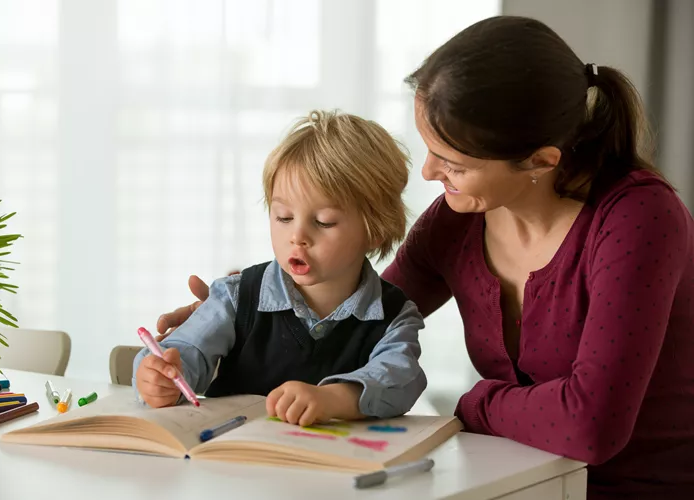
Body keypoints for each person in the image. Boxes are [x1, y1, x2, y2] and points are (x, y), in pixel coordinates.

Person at [155, 16, 694, 499]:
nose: (429, 175)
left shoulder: (637, 219)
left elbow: (591, 426)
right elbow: (355, 319)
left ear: (539, 160)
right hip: (511, 478)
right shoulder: (458, 219)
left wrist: (478, 402)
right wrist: (242, 312)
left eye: (453, 163)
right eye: (430, 148)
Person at [133, 110, 427, 427]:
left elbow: (401, 378)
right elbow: (185, 351)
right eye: (283, 217)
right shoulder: (236, 296)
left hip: (336, 469)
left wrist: (331, 399)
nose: (297, 236)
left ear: (375, 231)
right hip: (231, 463)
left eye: (323, 222)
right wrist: (158, 377)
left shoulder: (395, 315)